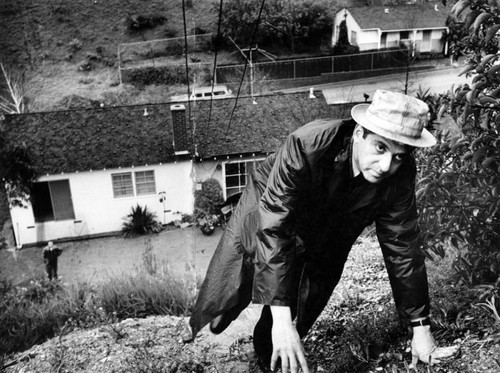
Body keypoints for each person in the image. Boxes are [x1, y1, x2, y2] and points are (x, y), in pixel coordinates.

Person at [186, 90, 459, 372]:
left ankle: (270, 352)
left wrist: (420, 326)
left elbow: (403, 246)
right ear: (359, 134)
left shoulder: (398, 175)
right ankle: (222, 316)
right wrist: (283, 321)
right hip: (273, 202)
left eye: (399, 156)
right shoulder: (307, 144)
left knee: (315, 283)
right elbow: (275, 227)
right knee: (244, 261)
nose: (387, 165)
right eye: (380, 148)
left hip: (337, 218)